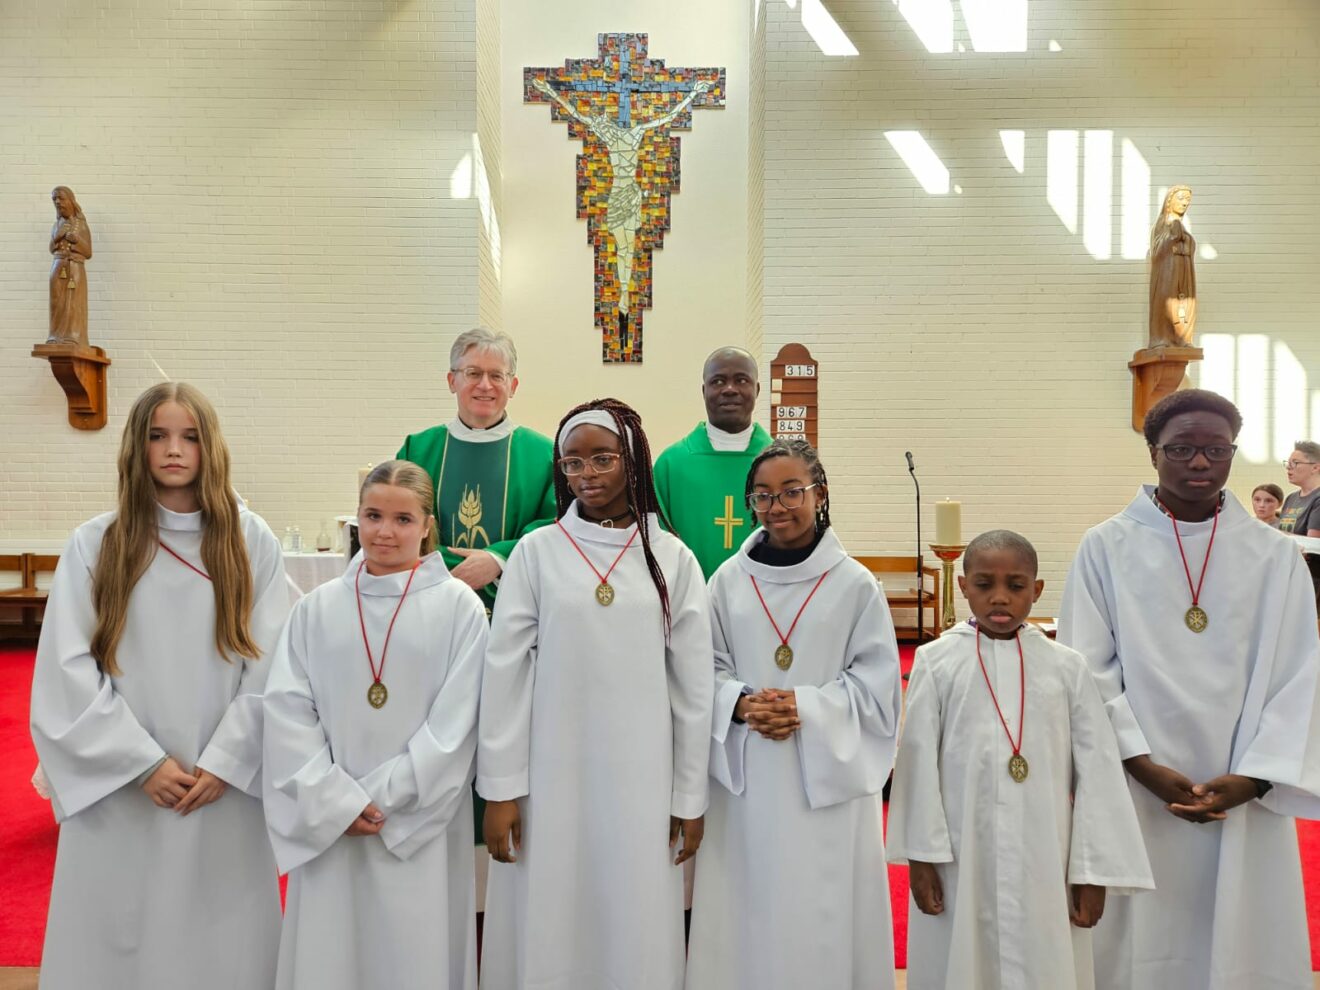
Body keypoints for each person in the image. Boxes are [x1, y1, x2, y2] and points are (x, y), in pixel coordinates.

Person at [29, 382, 289, 990]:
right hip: (124, 787)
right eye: (158, 435)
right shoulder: (97, 543)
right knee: (120, 931)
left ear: (210, 447)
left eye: (190, 436)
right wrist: (140, 764)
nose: (174, 449)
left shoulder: (250, 542)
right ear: (136, 446)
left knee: (219, 935)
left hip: (219, 784)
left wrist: (225, 761)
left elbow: (274, 666)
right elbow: (66, 670)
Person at [1058, 389, 1320, 990]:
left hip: (1244, 789)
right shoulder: (1106, 546)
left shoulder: (1275, 555)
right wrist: (1140, 764)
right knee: (1139, 941)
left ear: (1232, 453)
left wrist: (1254, 779)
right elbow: (1084, 667)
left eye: (1216, 450)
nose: (1200, 463)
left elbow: (1299, 671)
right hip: (1137, 786)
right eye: (1182, 448)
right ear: (1153, 453)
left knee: (1239, 936)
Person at [478, 398, 713, 990]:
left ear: (632, 460)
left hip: (643, 780)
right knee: (551, 910)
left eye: (602, 458)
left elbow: (693, 686)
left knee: (632, 916)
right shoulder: (537, 554)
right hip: (550, 778)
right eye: (572, 462)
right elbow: (505, 675)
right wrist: (501, 790)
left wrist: (689, 795)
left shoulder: (671, 559)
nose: (586, 474)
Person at [888, 530, 1153, 990]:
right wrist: (922, 857)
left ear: (1037, 590)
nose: (999, 598)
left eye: (1015, 585)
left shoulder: (1066, 666)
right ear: (964, 586)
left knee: (1045, 957)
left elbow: (1098, 770)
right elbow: (916, 764)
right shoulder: (937, 661)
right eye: (984, 584)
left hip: (1047, 851)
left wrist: (1092, 873)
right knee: (961, 953)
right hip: (960, 849)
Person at [685, 439, 903, 990]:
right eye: (763, 496)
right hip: (747, 783)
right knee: (748, 908)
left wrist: (804, 706)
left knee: (821, 911)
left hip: (824, 790)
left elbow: (878, 690)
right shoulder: (727, 583)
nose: (777, 506)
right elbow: (698, 669)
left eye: (791, 492)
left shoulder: (855, 585)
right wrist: (737, 702)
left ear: (820, 494)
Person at [263, 460, 487, 990]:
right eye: (373, 515)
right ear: (356, 519)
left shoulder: (461, 609)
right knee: (331, 954)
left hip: (418, 820)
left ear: (428, 525)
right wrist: (334, 799)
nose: (385, 532)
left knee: (415, 953)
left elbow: (458, 724)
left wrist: (384, 796)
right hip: (332, 821)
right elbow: (288, 710)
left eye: (403, 519)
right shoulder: (315, 609)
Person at [396, 327, 555, 615]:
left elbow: (555, 527)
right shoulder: (417, 450)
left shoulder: (544, 455)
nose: (485, 385)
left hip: (516, 612)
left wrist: (498, 559)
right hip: (430, 605)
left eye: (497, 375)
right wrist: (451, 569)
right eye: (473, 373)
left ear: (513, 385)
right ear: (451, 380)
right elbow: (399, 523)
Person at [653, 346, 773, 580]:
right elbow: (656, 547)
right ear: (704, 390)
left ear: (757, 389)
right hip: (687, 605)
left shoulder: (782, 465)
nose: (729, 389)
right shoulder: (670, 465)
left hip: (766, 605)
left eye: (741, 380)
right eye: (718, 381)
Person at [1147, 185, 1196, 348]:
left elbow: (1190, 247)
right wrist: (1173, 237)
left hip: (1183, 270)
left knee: (1184, 304)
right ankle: (1162, 338)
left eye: (1188, 200)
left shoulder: (1181, 226)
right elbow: (1157, 250)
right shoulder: (1162, 224)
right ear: (1170, 201)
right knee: (1166, 302)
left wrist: (1186, 242)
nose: (1185, 204)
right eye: (1181, 199)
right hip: (1167, 272)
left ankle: (1181, 338)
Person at [48, 185, 92, 345]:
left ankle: (73, 337)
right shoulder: (56, 225)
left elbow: (88, 252)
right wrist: (58, 236)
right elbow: (51, 248)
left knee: (73, 302)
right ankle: (55, 336)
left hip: (75, 267)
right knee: (56, 301)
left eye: (61, 198)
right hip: (58, 266)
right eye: (54, 199)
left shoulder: (81, 225)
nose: (58, 202)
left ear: (71, 201)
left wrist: (77, 240)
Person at [1280, 441, 1320, 603]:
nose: (1289, 468)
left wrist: (1273, 534)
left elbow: (1312, 544)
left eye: (1295, 463)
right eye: (1288, 464)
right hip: (1290, 573)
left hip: (1313, 578)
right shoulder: (1291, 498)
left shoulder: (1318, 498)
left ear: (1316, 467)